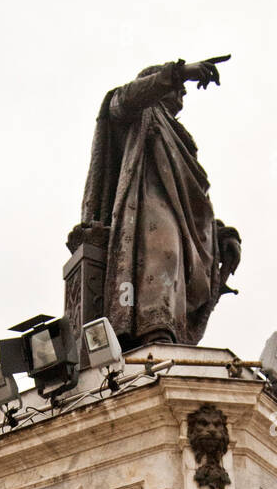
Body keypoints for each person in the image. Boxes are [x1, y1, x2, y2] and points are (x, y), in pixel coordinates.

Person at [77, 57, 241, 349]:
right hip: (144, 210)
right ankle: (155, 330)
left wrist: (222, 235)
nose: (184, 93)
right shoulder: (135, 111)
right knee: (162, 256)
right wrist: (178, 73)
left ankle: (169, 335)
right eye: (177, 88)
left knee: (174, 267)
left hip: (179, 218)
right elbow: (124, 99)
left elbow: (195, 202)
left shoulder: (181, 139)